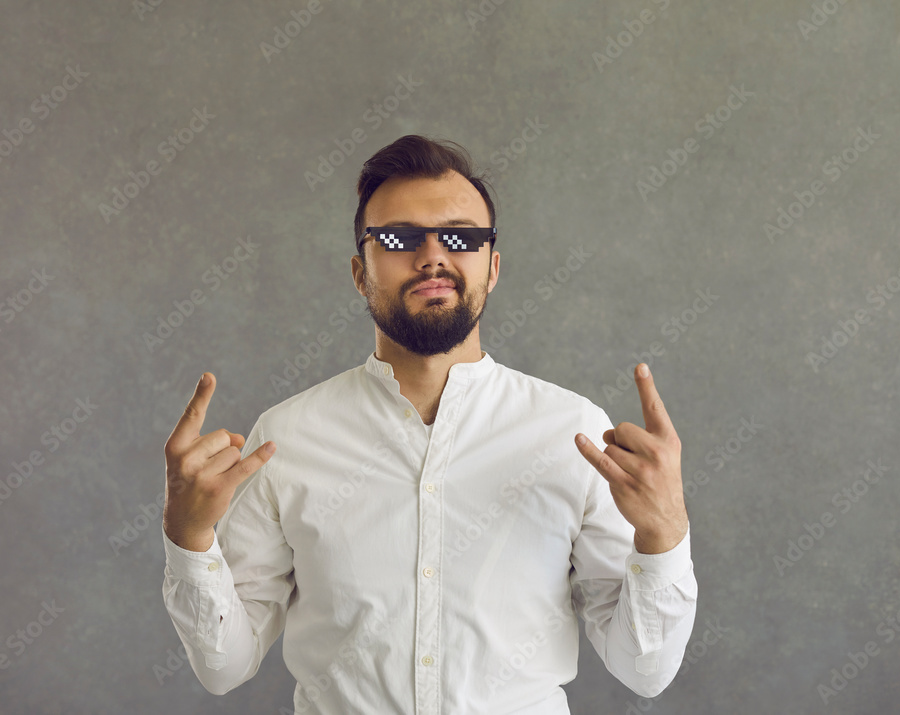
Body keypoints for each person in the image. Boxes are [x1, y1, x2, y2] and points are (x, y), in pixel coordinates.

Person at [161, 135, 697, 713]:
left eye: (461, 237)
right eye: (399, 238)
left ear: (492, 268)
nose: (433, 256)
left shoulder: (574, 434)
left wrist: (663, 533)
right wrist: (188, 536)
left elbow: (644, 670)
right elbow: (223, 667)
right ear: (360, 272)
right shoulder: (286, 438)